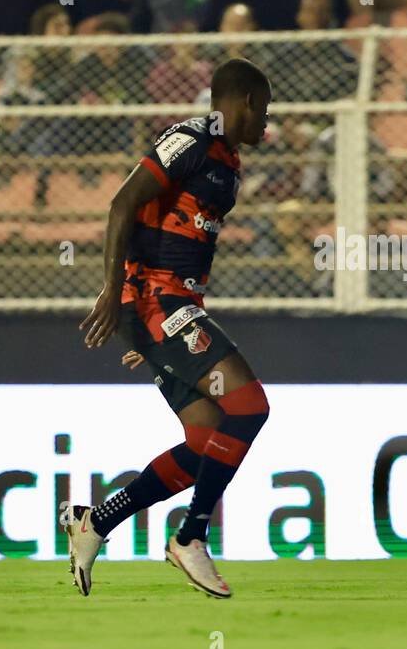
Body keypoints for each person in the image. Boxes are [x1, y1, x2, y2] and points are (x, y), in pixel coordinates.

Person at [65, 58, 273, 599]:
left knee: (206, 439)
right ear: (246, 101)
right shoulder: (191, 139)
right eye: (264, 109)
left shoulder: (227, 160)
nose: (267, 124)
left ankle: (96, 523)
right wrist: (118, 295)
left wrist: (151, 338)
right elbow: (122, 203)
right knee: (250, 407)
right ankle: (191, 536)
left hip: (166, 310)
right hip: (158, 301)